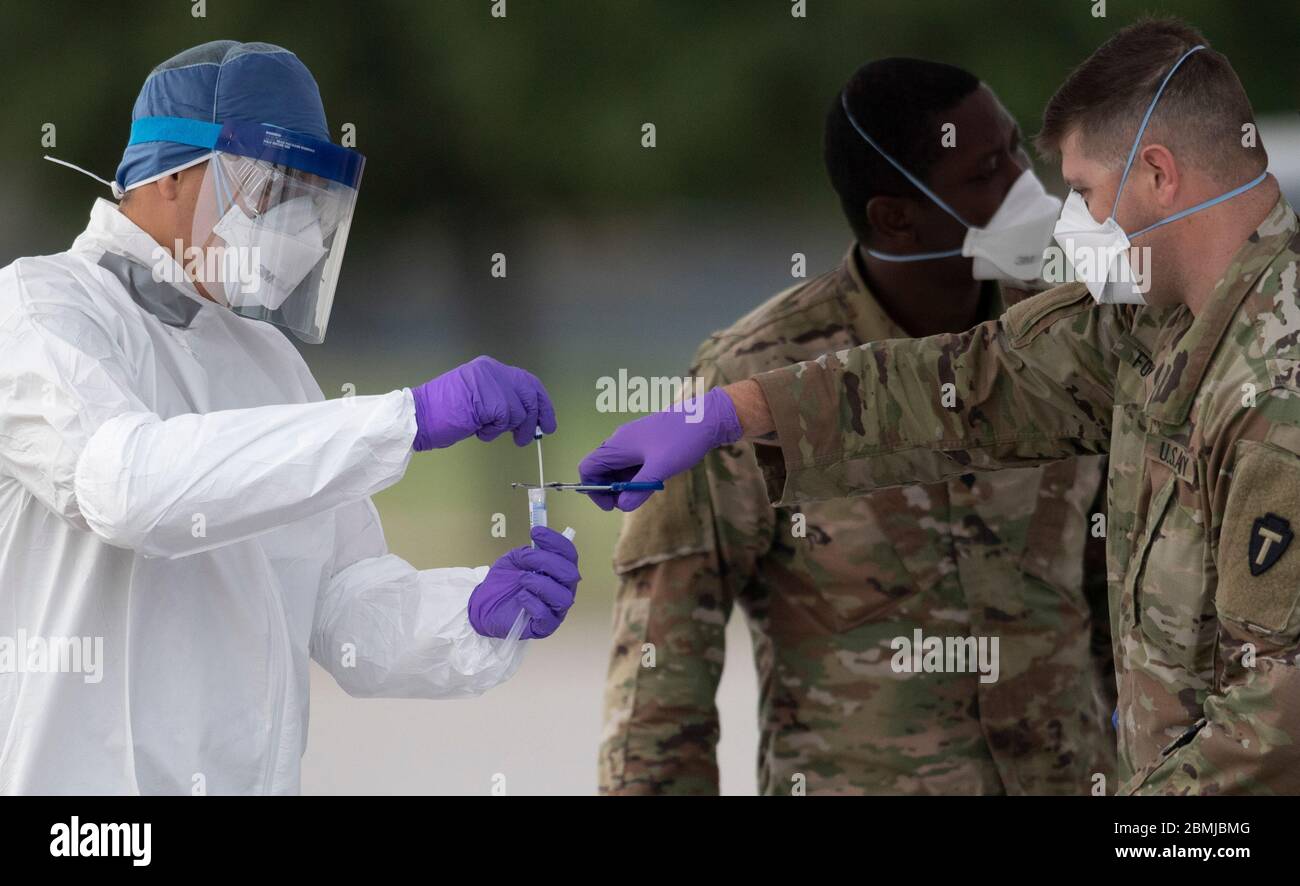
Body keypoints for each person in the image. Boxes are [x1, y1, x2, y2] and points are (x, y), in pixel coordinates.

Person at [580, 18, 1300, 795]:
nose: (1066, 220)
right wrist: (731, 412)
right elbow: (971, 386)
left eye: (1085, 191)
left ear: (1160, 175)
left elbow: (1272, 726)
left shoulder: (1275, 390)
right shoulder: (1150, 331)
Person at [0, 41, 580, 795]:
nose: (297, 226)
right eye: (273, 190)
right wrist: (404, 420)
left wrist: (473, 614)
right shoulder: (40, 309)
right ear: (175, 174)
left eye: (311, 197)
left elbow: (343, 604)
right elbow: (127, 487)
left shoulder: (269, 363)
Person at [598, 59, 1115, 796]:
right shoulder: (748, 377)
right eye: (983, 174)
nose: (1024, 189)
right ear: (894, 217)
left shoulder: (1061, 345)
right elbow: (660, 680)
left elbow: (1117, 598)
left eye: (1015, 152)